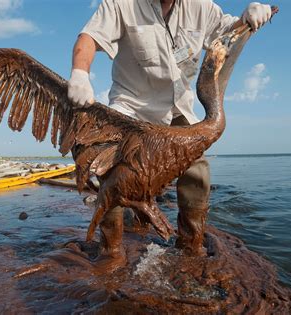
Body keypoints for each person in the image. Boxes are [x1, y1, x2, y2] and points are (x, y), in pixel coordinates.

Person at [67, 0, 272, 257]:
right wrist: (80, 73)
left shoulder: (202, 7)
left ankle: (191, 244)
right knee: (112, 175)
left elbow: (229, 32)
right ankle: (111, 250)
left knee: (197, 171)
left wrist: (248, 16)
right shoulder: (121, 4)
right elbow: (88, 38)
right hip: (131, 109)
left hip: (178, 108)